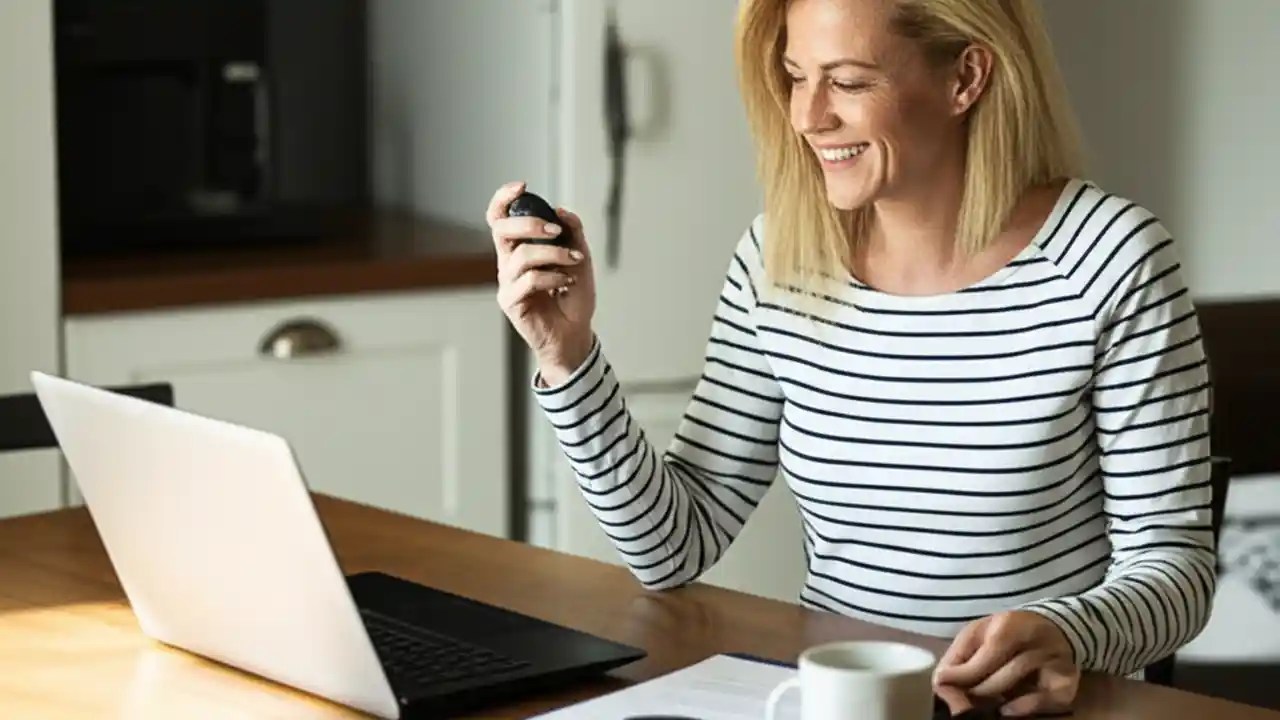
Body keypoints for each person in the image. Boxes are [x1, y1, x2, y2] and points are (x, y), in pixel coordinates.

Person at [485, 0, 1214, 715]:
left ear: (966, 77)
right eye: (797, 76)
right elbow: (671, 545)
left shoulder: (1112, 262)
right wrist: (566, 352)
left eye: (850, 80)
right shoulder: (779, 259)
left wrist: (1068, 633)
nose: (808, 116)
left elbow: (1177, 570)